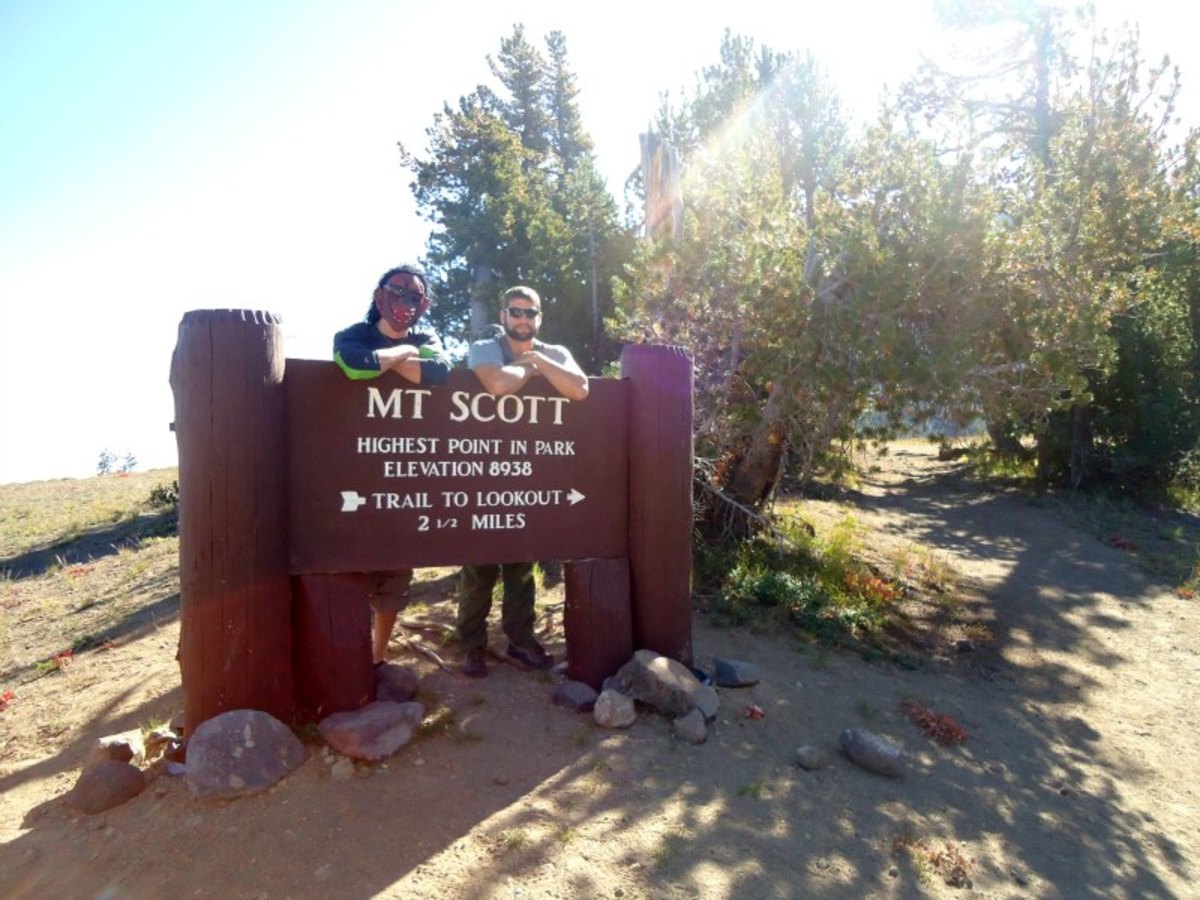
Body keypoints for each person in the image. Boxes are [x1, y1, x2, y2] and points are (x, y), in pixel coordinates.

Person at [457, 286, 589, 678]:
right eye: (515, 312)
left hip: (530, 472)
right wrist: (532, 367)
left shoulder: (557, 352)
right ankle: (472, 645)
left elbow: (580, 390)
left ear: (539, 317)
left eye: (530, 312)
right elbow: (496, 384)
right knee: (478, 568)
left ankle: (519, 640)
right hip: (481, 471)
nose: (522, 319)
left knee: (520, 566)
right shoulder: (486, 346)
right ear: (503, 315)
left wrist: (540, 362)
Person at [333, 264, 450, 665]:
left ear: (424, 304)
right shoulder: (351, 336)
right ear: (379, 295)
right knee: (349, 574)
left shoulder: (428, 338)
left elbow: (438, 374)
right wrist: (404, 352)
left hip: (404, 476)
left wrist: (389, 359)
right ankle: (346, 659)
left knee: (396, 576)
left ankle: (377, 658)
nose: (404, 302)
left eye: (414, 296)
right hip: (353, 472)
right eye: (397, 292)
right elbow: (355, 366)